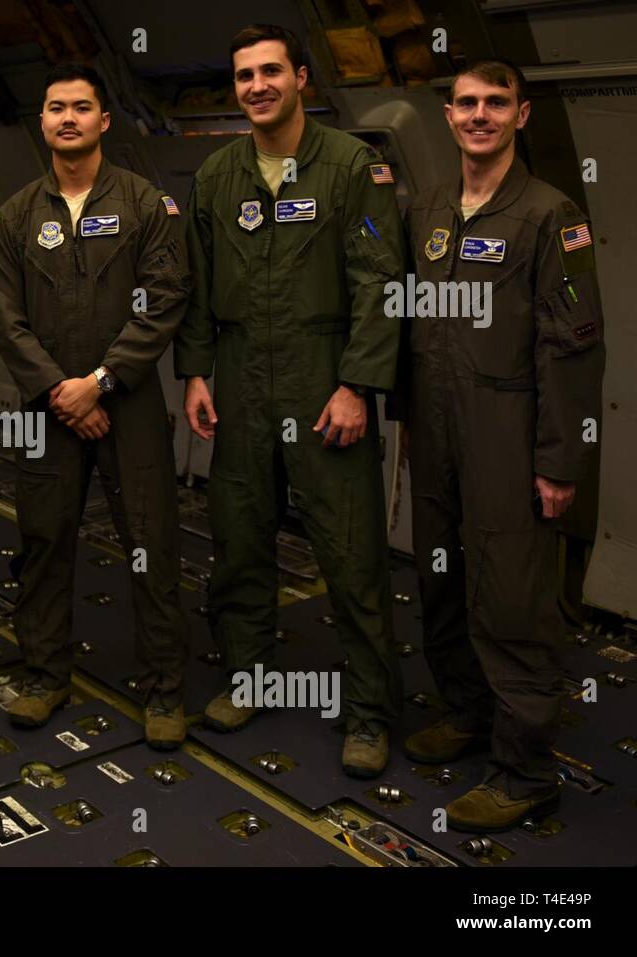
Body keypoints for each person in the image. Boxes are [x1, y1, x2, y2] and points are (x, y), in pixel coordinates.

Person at [173, 24, 404, 778]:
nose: (257, 86)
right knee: (239, 539)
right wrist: (198, 371)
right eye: (244, 76)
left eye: (271, 71)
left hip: (321, 374)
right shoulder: (216, 174)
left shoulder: (352, 168)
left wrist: (356, 383)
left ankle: (370, 711)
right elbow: (198, 284)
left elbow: (378, 280)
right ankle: (249, 678)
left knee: (350, 550)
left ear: (302, 78)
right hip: (239, 377)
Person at [392, 60, 605, 831]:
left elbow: (573, 347)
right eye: (466, 103)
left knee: (510, 596)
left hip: (509, 437)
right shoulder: (429, 208)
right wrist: (407, 417)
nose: (479, 115)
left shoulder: (552, 216)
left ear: (520, 115)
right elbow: (414, 321)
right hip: (438, 429)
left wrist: (558, 459)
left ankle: (525, 769)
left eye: (496, 103)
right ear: (448, 115)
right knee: (442, 576)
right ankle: (468, 710)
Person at [0, 63, 191, 748]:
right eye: (54, 108)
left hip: (127, 405)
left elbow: (164, 302)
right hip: (47, 409)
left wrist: (100, 381)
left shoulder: (144, 205)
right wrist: (59, 392)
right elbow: (6, 319)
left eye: (81, 107)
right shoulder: (15, 216)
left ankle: (163, 689)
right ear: (40, 122)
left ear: (105, 120)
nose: (67, 118)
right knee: (44, 543)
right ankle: (44, 676)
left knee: (150, 547)